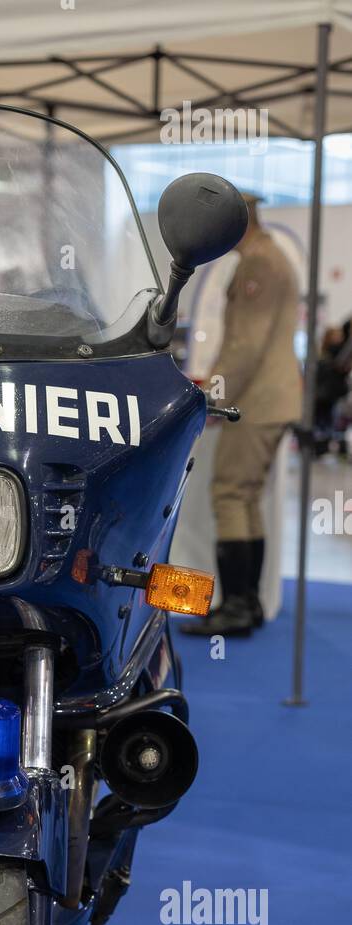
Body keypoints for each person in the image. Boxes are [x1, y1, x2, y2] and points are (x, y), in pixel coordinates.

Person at [181, 193, 302, 637]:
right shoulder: (267, 258)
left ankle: (235, 607)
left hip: (256, 398)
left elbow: (245, 346)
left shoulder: (259, 263)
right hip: (269, 398)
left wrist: (214, 393)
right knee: (244, 496)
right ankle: (245, 603)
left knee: (231, 494)